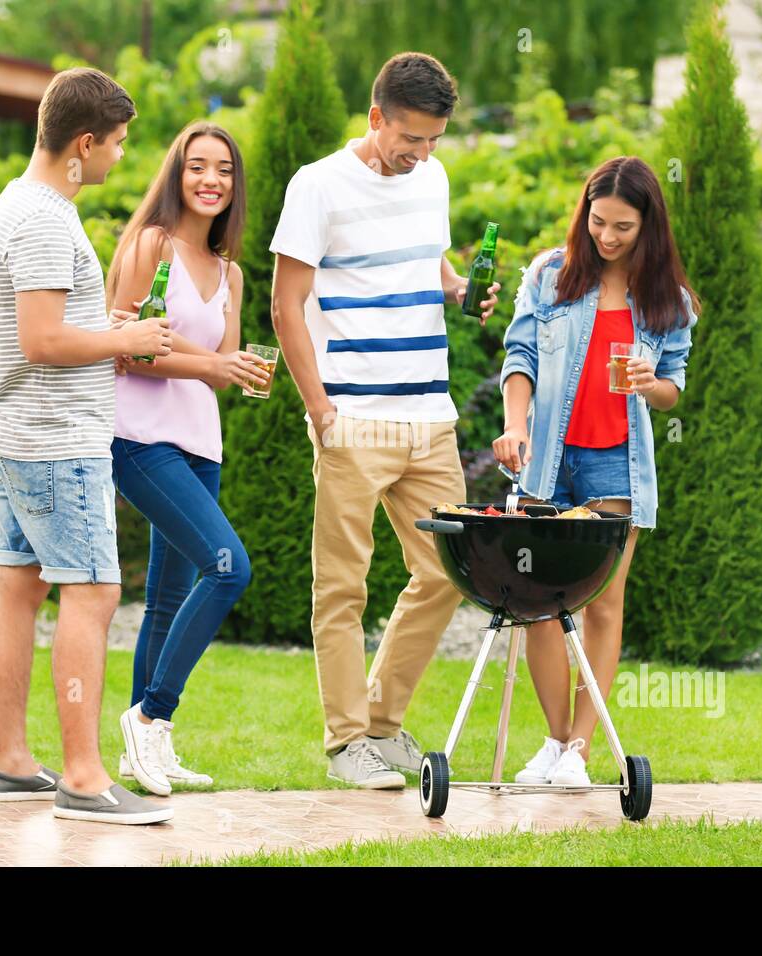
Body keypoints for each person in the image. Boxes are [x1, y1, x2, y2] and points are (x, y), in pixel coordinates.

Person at [270, 52, 500, 788]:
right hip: (353, 417)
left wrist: (462, 289)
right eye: (411, 139)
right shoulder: (317, 186)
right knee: (342, 586)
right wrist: (321, 410)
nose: (422, 154)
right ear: (376, 118)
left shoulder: (431, 178)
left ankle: (381, 720)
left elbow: (428, 263)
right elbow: (284, 306)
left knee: (446, 570)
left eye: (434, 140)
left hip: (428, 413)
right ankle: (346, 744)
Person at [0, 67, 175, 825]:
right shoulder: (45, 221)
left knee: (18, 587)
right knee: (92, 592)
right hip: (57, 440)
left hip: (22, 432)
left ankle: (11, 764)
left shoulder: (17, 207)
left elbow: (49, 332)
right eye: (117, 144)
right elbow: (43, 339)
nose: (122, 158)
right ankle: (85, 780)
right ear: (83, 144)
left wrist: (108, 335)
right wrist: (124, 337)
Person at [493, 155, 699, 788]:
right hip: (547, 457)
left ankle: (579, 751)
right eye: (598, 220)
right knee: (538, 605)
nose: (606, 237)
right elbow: (520, 354)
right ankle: (556, 744)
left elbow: (674, 388)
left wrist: (651, 383)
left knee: (604, 605)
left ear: (649, 227)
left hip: (616, 462)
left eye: (623, 228)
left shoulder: (669, 300)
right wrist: (515, 424)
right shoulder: (550, 274)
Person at [106, 121, 268, 797]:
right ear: (176, 175)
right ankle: (149, 713)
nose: (211, 179)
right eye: (197, 166)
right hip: (141, 438)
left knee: (167, 602)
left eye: (224, 170)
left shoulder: (228, 272)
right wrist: (213, 362)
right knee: (228, 566)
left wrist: (238, 370)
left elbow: (215, 371)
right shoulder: (152, 245)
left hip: (201, 443)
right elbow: (123, 347)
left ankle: (149, 752)